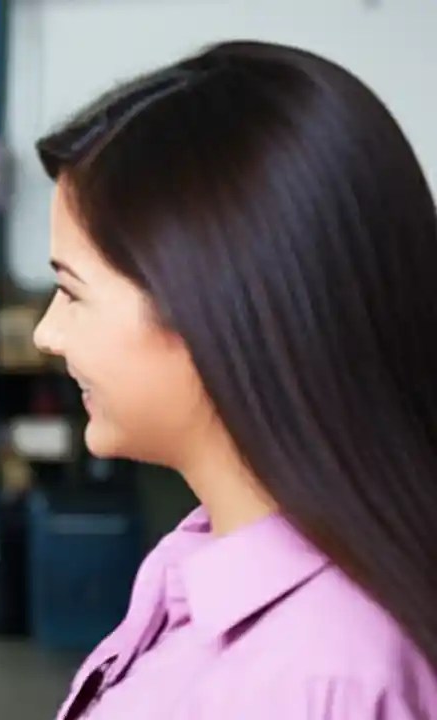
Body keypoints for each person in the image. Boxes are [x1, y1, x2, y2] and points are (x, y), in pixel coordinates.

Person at [29, 40, 437, 719]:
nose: (46, 333)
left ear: (209, 304)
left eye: (72, 292)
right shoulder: (199, 562)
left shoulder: (319, 678)